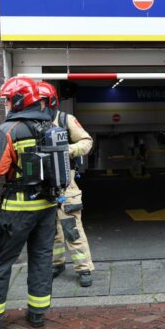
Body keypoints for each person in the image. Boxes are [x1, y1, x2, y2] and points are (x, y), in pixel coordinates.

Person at [0, 76, 58, 329]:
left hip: (17, 209)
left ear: (18, 100)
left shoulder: (10, 129)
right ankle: (38, 313)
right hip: (47, 208)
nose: (5, 104)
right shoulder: (50, 125)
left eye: (7, 99)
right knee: (41, 258)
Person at [36, 82, 95, 287]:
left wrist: (65, 149)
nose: (39, 106)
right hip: (42, 186)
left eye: (42, 102)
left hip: (65, 185)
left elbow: (86, 142)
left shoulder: (65, 119)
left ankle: (84, 268)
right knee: (50, 231)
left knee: (71, 228)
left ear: (51, 101)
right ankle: (56, 264)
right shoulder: (30, 121)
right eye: (36, 102)